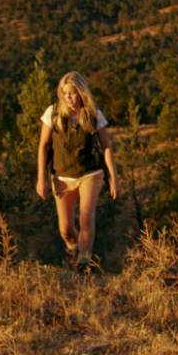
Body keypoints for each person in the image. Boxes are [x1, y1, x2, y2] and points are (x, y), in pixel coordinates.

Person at [35, 71, 119, 270]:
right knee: (65, 229)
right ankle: (74, 248)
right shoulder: (53, 113)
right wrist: (41, 179)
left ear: (81, 92)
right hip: (62, 176)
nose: (69, 98)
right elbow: (44, 146)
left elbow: (106, 146)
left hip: (90, 173)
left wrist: (114, 178)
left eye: (72, 93)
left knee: (86, 217)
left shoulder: (93, 114)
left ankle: (84, 261)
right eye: (65, 93)